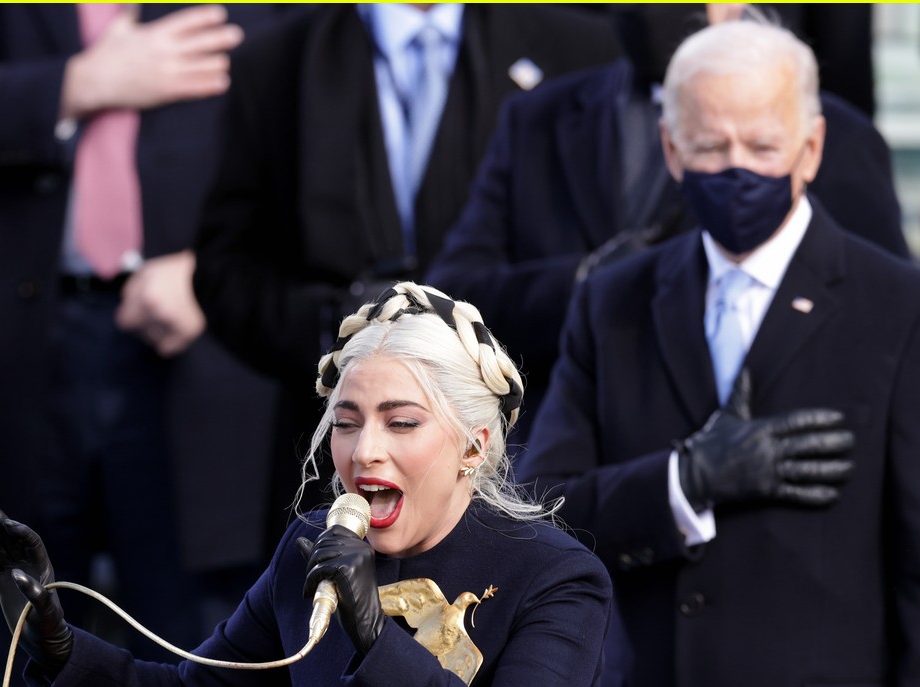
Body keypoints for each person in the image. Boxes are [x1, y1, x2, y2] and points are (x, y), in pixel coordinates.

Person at [517, 18, 920, 687]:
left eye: (762, 145)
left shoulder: (912, 316)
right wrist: (684, 480)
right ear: (672, 149)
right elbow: (543, 514)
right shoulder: (613, 304)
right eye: (711, 146)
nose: (736, 167)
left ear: (811, 149)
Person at [0, 282, 613, 687]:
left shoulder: (554, 576)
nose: (365, 451)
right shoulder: (312, 551)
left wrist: (373, 636)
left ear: (473, 446)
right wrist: (56, 643)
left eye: (401, 422)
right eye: (347, 422)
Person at [0, 4, 281, 687]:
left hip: (198, 346)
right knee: (16, 659)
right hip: (17, 349)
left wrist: (215, 270)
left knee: (211, 665)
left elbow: (308, 120)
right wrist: (77, 84)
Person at [191, 4, 621, 551]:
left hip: (528, 455)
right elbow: (228, 270)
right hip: (341, 474)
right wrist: (338, 323)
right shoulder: (277, 63)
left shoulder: (580, 48)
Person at [427, 3, 908, 458]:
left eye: (758, 148)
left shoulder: (830, 138)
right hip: (565, 467)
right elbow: (453, 296)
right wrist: (583, 280)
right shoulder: (539, 118)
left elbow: (880, 319)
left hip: (764, 464)